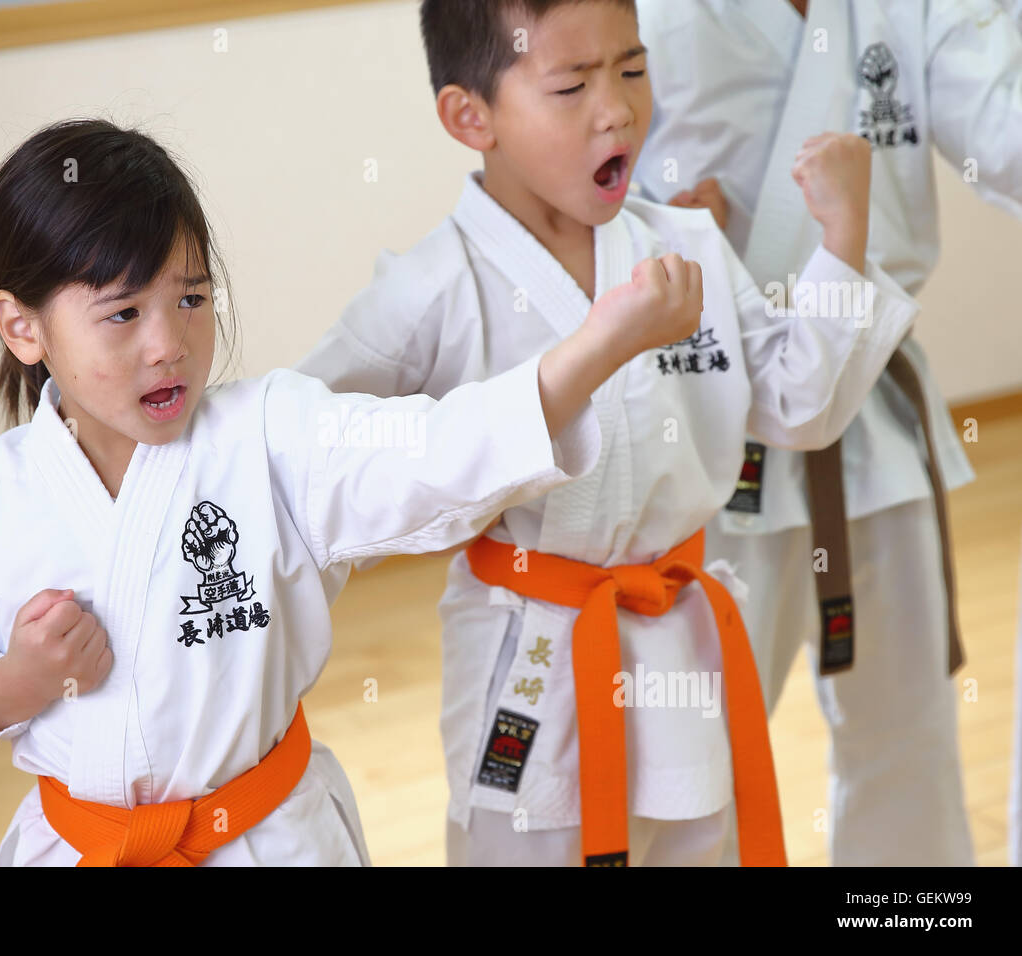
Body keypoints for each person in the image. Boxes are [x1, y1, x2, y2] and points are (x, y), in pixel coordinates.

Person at [0, 116, 686, 866]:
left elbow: (431, 450)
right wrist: (14, 682)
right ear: (23, 327)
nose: (169, 345)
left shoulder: (270, 433)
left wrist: (592, 352)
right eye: (122, 314)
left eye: (190, 299)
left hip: (267, 839)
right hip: (85, 846)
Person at [296, 0, 918, 865]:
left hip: (678, 631)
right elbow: (315, 446)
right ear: (470, 116)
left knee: (696, 834)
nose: (617, 108)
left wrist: (843, 234)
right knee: (531, 845)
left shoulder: (686, 243)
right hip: (531, 650)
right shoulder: (431, 289)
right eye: (571, 84)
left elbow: (798, 405)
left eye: (631, 68)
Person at [633, 0, 1022, 865]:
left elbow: (1009, 133)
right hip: (716, 428)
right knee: (699, 750)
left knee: (907, 730)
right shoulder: (655, 14)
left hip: (873, 423)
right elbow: (575, 170)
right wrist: (652, 220)